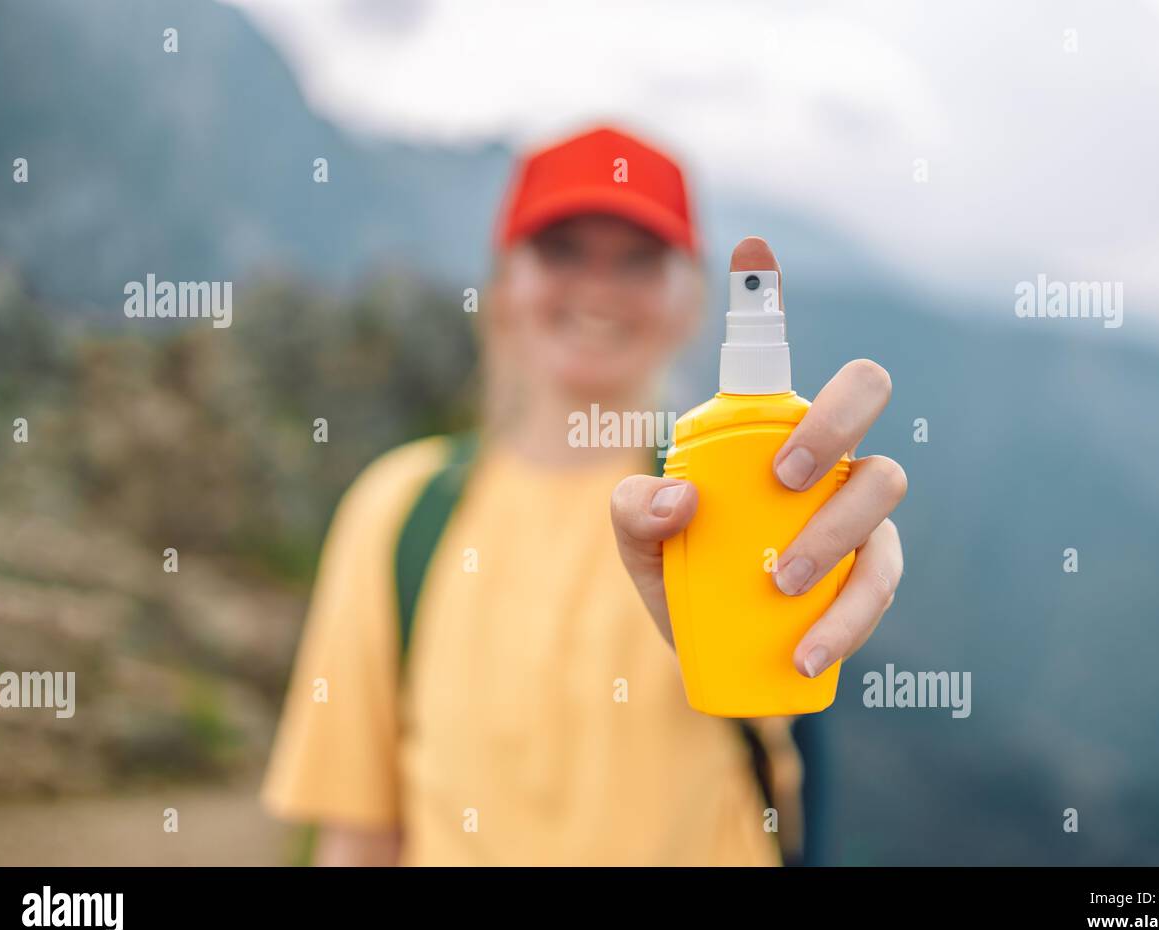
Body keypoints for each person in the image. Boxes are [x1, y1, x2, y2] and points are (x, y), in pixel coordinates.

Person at [260, 125, 906, 866]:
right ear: (504, 287)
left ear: (690, 302)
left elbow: (782, 742)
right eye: (562, 250)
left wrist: (820, 536)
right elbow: (360, 838)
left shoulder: (730, 500)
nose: (599, 287)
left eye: (639, 259)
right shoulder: (399, 513)